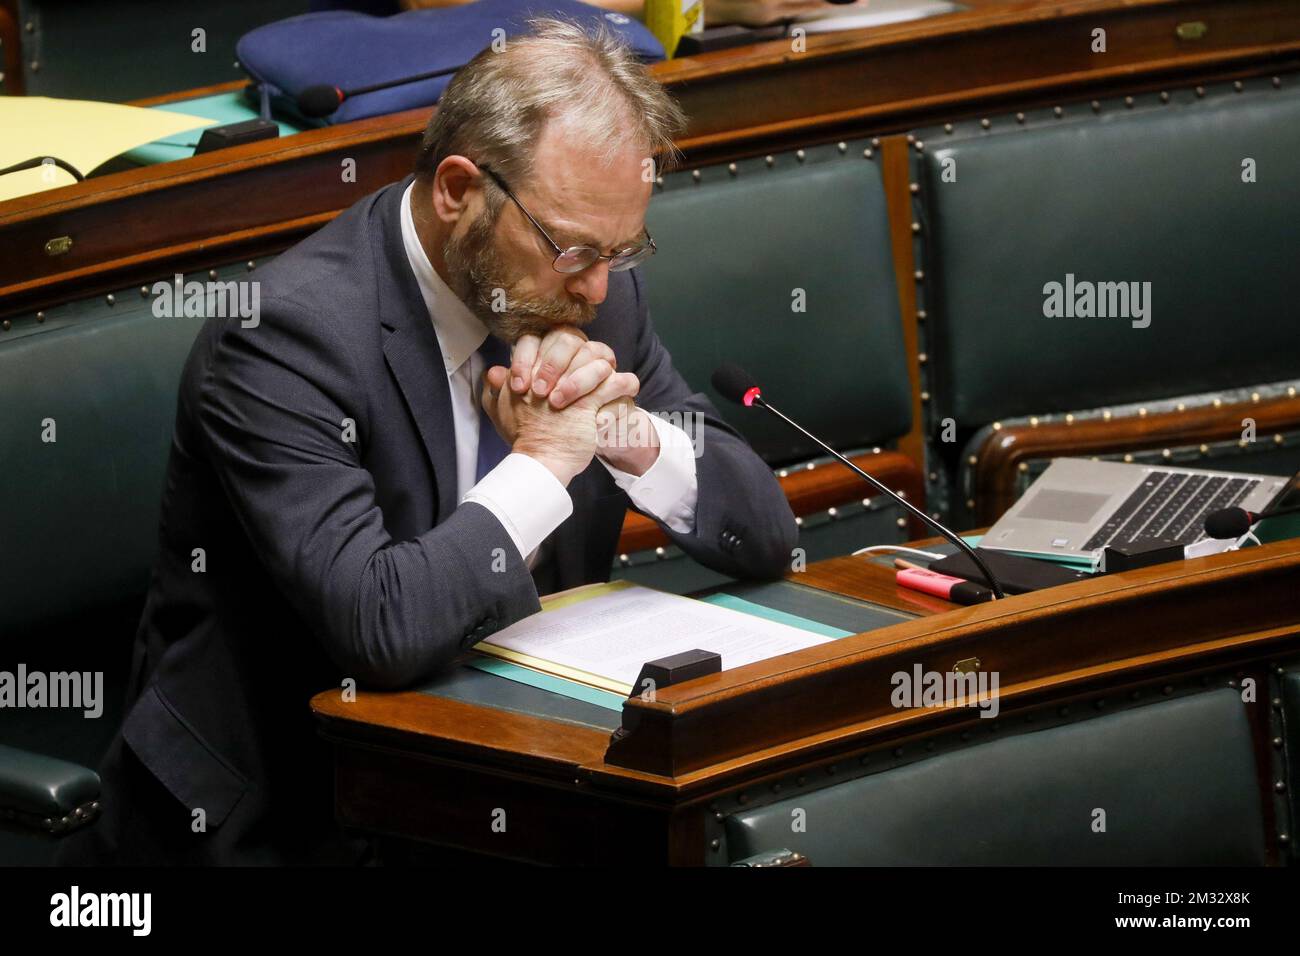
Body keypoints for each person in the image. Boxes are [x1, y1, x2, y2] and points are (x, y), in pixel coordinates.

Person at [57, 17, 797, 866]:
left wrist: (622, 433)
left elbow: (767, 534)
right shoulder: (283, 336)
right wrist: (546, 462)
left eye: (622, 251)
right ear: (456, 189)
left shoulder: (594, 294)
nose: (596, 286)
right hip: (293, 816)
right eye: (572, 249)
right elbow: (380, 629)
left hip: (512, 780)